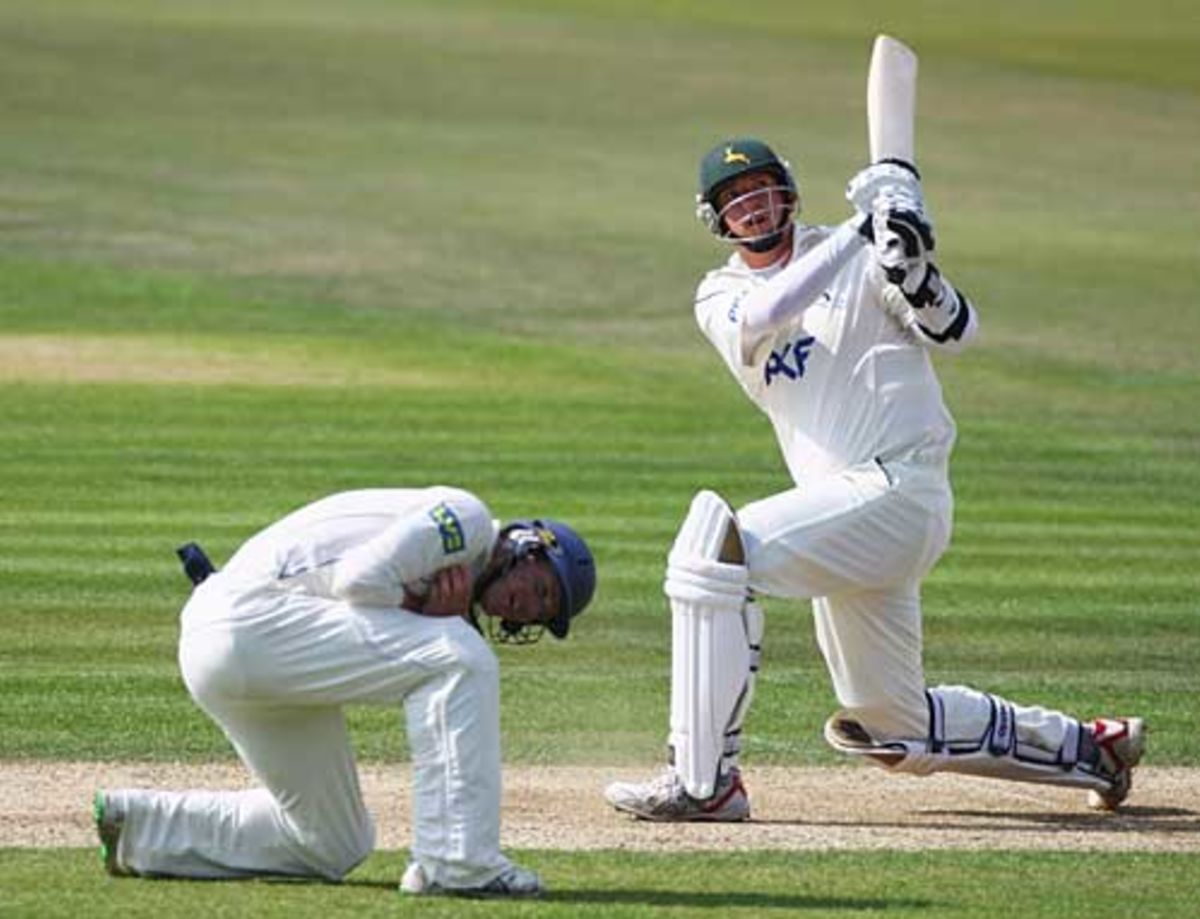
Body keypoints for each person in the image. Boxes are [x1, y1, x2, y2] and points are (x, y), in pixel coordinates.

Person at [603, 137, 1143, 823]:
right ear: (716, 220)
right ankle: (1092, 747)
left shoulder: (864, 259)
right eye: (736, 200)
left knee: (712, 549)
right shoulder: (722, 293)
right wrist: (865, 229)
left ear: (790, 193)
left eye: (763, 190)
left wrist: (916, 271)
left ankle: (703, 782)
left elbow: (958, 330)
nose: (753, 207)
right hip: (850, 516)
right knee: (891, 724)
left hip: (899, 489)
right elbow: (769, 312)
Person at [94, 486, 596, 898]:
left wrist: (428, 616)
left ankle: (140, 827)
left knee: (330, 842)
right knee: (462, 659)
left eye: (542, 616)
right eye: (543, 591)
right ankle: (458, 864)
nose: (527, 609)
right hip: (248, 620)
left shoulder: (458, 582)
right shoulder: (466, 519)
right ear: (529, 545)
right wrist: (425, 615)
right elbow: (358, 580)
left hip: (237, 651)